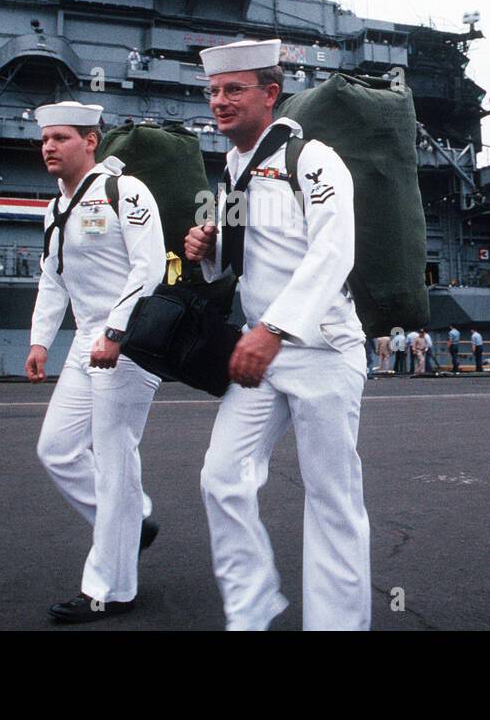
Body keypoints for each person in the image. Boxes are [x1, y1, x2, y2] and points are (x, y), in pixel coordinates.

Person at [185, 37, 370, 630]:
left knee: (332, 500)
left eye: (233, 89)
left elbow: (333, 251)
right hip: (262, 352)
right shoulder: (234, 169)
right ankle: (252, 608)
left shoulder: (312, 160)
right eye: (213, 91)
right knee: (222, 476)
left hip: (319, 351)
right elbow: (242, 256)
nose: (219, 101)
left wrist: (274, 328)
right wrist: (207, 251)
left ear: (270, 93)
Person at [25, 100, 166, 622]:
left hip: (128, 343)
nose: (48, 147)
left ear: (91, 140)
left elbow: (148, 269)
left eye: (60, 138)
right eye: (44, 139)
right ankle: (136, 517)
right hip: (88, 341)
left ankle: (109, 587)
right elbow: (52, 277)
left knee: (114, 461)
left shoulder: (124, 191)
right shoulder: (55, 206)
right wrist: (41, 341)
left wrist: (115, 330)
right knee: (57, 448)